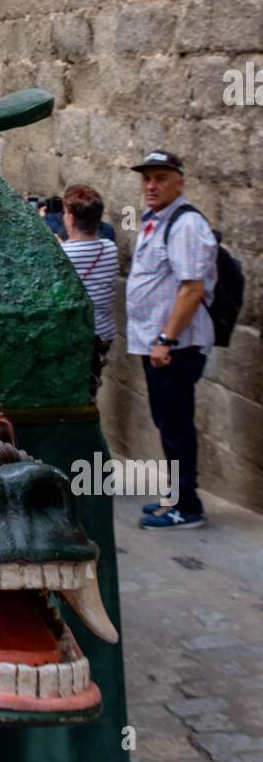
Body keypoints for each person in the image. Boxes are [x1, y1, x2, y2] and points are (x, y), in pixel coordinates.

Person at [125, 151, 218, 531]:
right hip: (158, 344)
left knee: (176, 424)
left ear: (180, 182)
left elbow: (192, 288)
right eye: (147, 178)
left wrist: (166, 338)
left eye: (161, 178)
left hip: (174, 346)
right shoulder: (156, 222)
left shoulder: (185, 225)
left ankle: (187, 507)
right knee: (168, 422)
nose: (151, 185)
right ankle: (176, 497)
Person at [59, 185, 119, 400]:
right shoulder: (110, 248)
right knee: (89, 384)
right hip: (102, 334)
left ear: (71, 218)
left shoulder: (61, 254)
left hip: (74, 335)